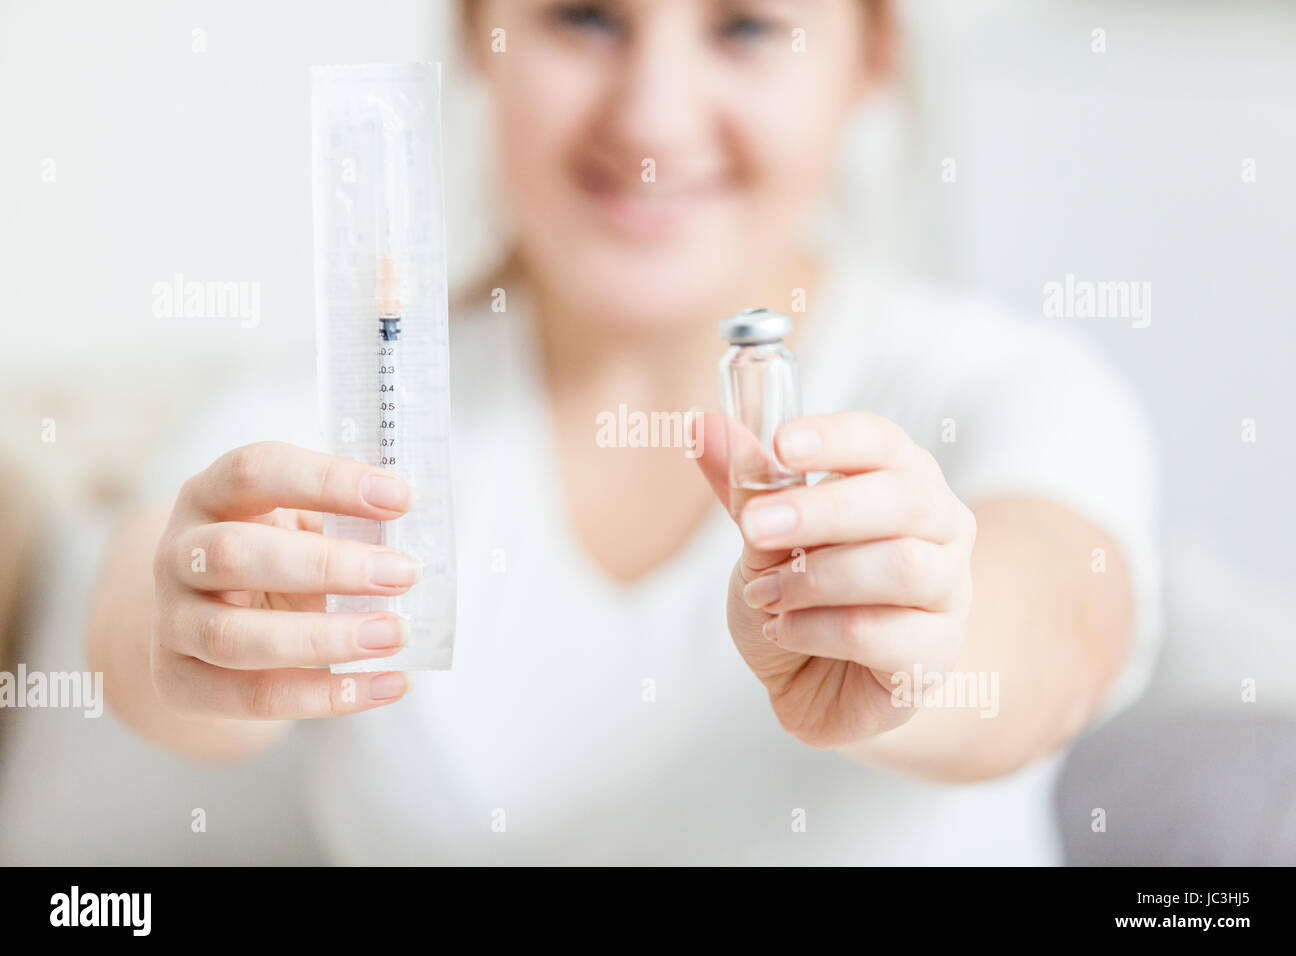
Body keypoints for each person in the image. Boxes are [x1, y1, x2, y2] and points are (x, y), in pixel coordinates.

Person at [87, 0, 1161, 864]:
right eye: (585, 18)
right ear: (479, 33)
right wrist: (193, 637)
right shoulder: (351, 400)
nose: (650, 121)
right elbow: (142, 613)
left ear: (869, 55)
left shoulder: (1005, 386)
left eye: (743, 26)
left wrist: (929, 645)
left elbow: (1057, 636)